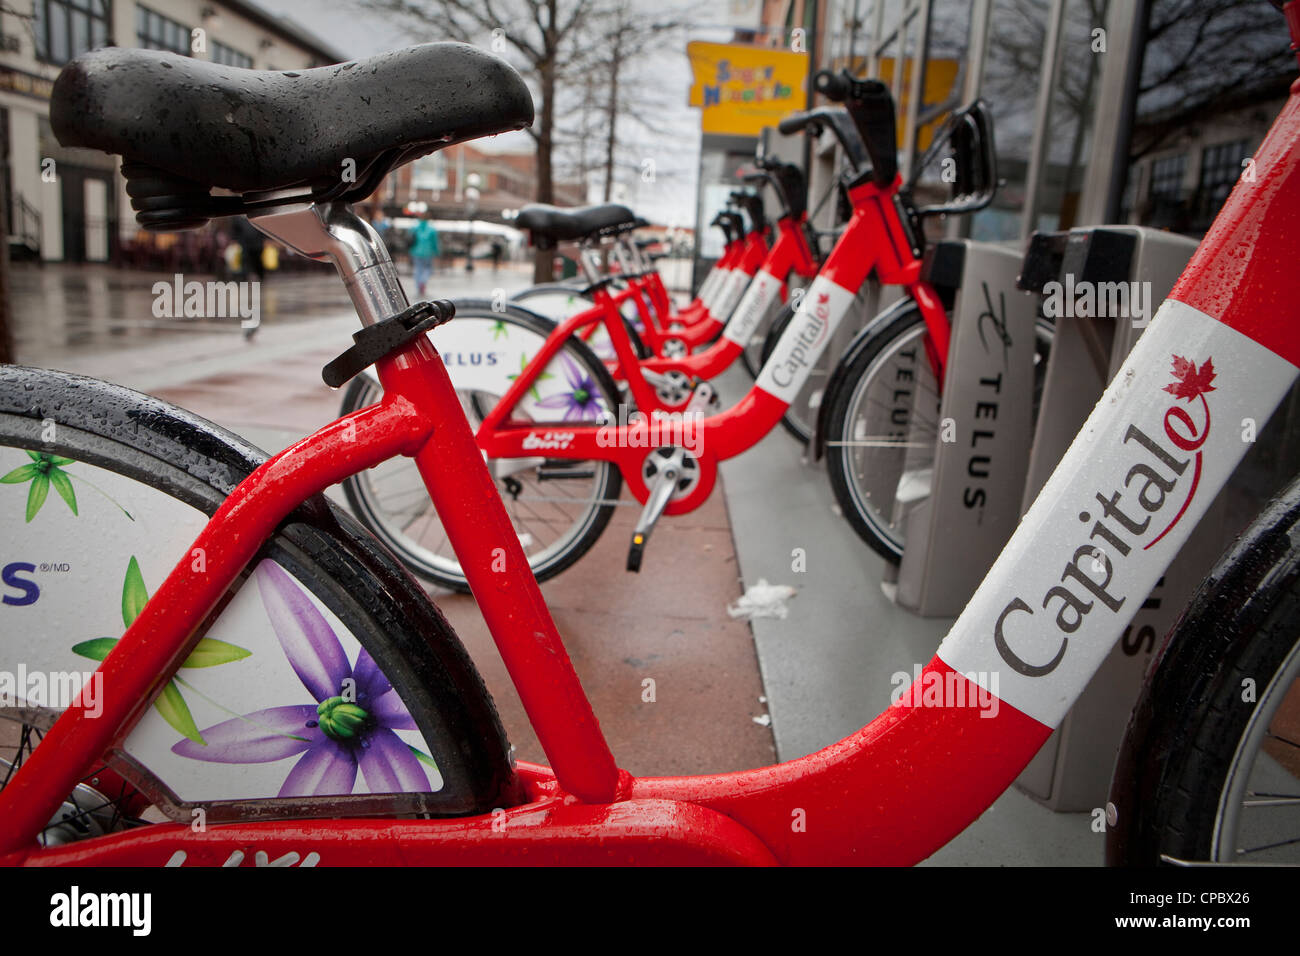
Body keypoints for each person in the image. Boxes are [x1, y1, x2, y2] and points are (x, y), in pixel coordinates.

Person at [409, 215, 440, 297]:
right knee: (427, 269)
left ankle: (418, 285)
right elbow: (435, 242)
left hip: (416, 251)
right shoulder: (432, 230)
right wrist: (436, 251)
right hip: (428, 252)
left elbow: (410, 239)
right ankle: (423, 281)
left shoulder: (414, 228)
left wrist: (411, 250)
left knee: (418, 269)